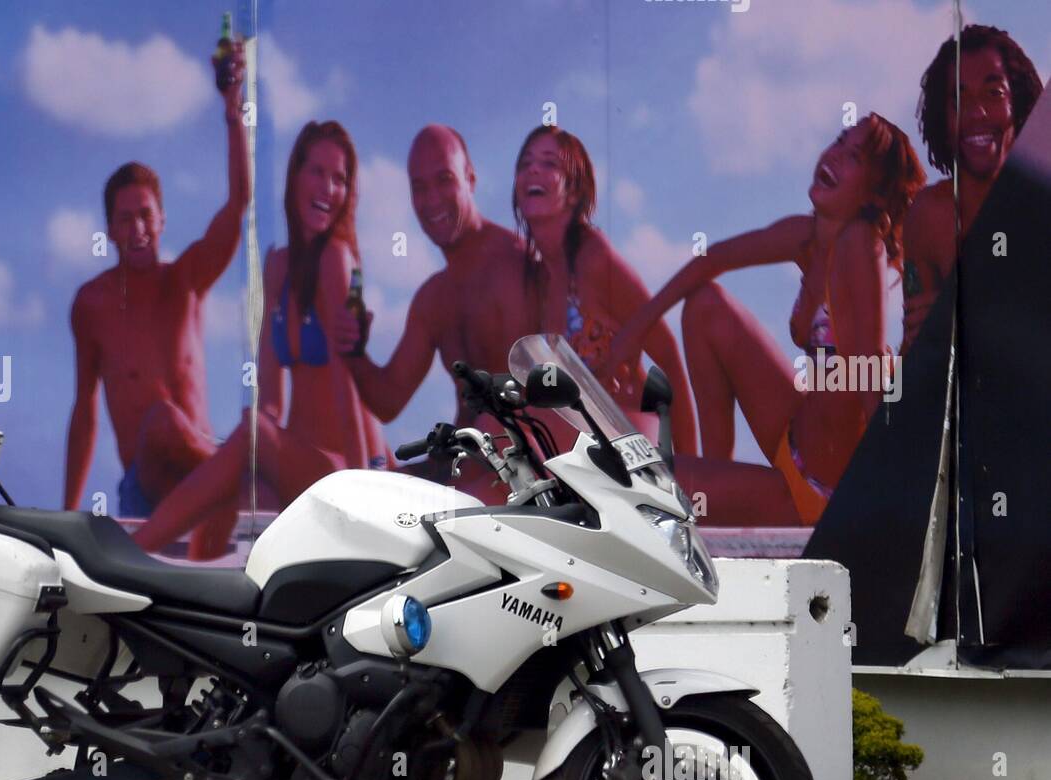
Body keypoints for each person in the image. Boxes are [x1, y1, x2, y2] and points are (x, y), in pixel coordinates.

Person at [608, 115, 925, 526]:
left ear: (874, 193)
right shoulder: (808, 235)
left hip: (820, 494)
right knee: (705, 305)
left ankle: (716, 503)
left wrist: (891, 504)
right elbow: (712, 259)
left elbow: (869, 371)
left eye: (854, 157)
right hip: (793, 440)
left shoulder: (861, 243)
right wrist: (634, 332)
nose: (833, 156)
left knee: (639, 481)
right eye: (839, 141)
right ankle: (718, 474)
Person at [133, 121, 377, 553]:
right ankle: (185, 582)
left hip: (345, 467)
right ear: (295, 177)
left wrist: (367, 507)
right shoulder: (277, 266)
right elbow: (271, 402)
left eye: (340, 178)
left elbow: (350, 396)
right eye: (317, 172)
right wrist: (244, 462)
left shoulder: (338, 261)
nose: (328, 188)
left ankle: (133, 552)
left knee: (251, 435)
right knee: (238, 492)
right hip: (297, 461)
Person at [62, 38, 249, 560]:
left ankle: (233, 481)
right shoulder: (92, 305)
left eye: (146, 215)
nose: (138, 228)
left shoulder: (186, 280)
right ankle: (240, 478)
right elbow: (85, 412)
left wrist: (232, 111)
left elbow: (238, 204)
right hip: (146, 489)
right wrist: (66, 517)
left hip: (204, 476)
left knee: (250, 432)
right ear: (109, 230)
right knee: (163, 421)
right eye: (125, 219)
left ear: (163, 219)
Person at [333, 125, 542, 502]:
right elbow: (389, 400)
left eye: (444, 179)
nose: (432, 200)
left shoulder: (514, 263)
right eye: (419, 187)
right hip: (469, 463)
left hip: (528, 474)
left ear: (470, 179)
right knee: (361, 497)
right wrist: (354, 352)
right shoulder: (433, 298)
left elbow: (536, 401)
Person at [504, 125, 697, 454]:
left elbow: (667, 354)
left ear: (574, 191)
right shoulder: (538, 280)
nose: (533, 170)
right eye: (525, 164)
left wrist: (689, 465)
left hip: (631, 437)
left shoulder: (593, 258)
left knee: (500, 427)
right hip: (577, 447)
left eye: (550, 163)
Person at [902, 25, 1042, 353]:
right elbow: (916, 344)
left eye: (994, 94)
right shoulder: (928, 216)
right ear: (943, 117)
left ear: (1019, 103)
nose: (976, 113)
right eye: (959, 98)